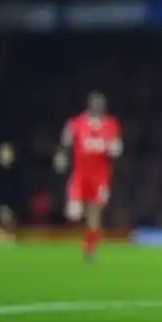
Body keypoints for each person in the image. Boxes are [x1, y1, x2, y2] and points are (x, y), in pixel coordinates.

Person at [55, 92, 122, 261]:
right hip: (81, 175)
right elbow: (66, 139)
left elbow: (115, 146)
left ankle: (89, 248)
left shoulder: (111, 124)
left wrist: (115, 146)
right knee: (74, 213)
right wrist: (61, 154)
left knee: (94, 214)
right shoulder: (76, 123)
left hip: (100, 177)